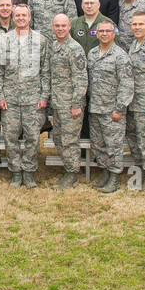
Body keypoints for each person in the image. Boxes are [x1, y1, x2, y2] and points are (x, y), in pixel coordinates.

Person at [0, 2, 50, 188]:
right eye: (17, 15)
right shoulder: (4, 40)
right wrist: (0, 95)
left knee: (33, 137)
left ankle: (29, 171)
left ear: (30, 18)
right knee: (10, 137)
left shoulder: (40, 41)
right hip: (10, 99)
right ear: (12, 18)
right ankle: (16, 172)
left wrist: (44, 96)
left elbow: (45, 71)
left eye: (23, 15)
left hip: (33, 99)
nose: (20, 18)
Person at [86, 18, 134, 194]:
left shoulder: (120, 56)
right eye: (101, 31)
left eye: (108, 31)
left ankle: (114, 177)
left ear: (114, 34)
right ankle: (105, 173)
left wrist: (119, 108)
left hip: (112, 110)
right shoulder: (92, 54)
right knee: (98, 144)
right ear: (96, 34)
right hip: (95, 108)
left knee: (113, 145)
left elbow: (126, 84)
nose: (104, 34)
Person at [47, 13, 88, 190]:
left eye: (63, 25)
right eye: (57, 26)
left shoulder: (75, 49)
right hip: (58, 103)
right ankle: (69, 167)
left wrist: (76, 104)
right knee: (58, 137)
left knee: (70, 140)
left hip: (71, 104)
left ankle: (72, 174)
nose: (60, 29)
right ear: (53, 27)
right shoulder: (55, 46)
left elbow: (81, 78)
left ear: (69, 26)